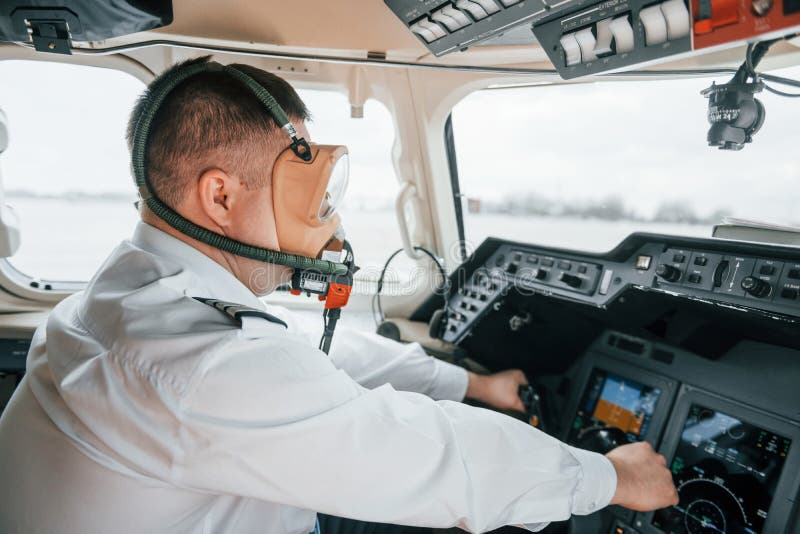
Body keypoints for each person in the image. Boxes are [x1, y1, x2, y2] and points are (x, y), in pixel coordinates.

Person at [0, 56, 677, 534]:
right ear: (220, 196)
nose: (324, 220)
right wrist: (609, 478)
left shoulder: (132, 296)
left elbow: (299, 357)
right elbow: (430, 458)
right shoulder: (195, 370)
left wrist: (469, 385)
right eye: (303, 192)